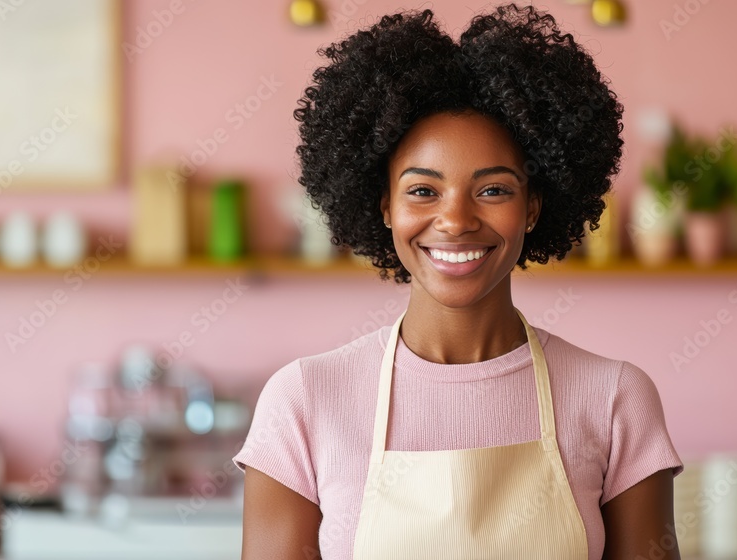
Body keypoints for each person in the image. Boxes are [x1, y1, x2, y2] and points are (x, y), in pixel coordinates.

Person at [233, 4, 683, 559]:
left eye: (493, 190)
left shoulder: (615, 399)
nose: (456, 220)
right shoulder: (303, 401)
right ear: (384, 207)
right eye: (423, 191)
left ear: (534, 208)